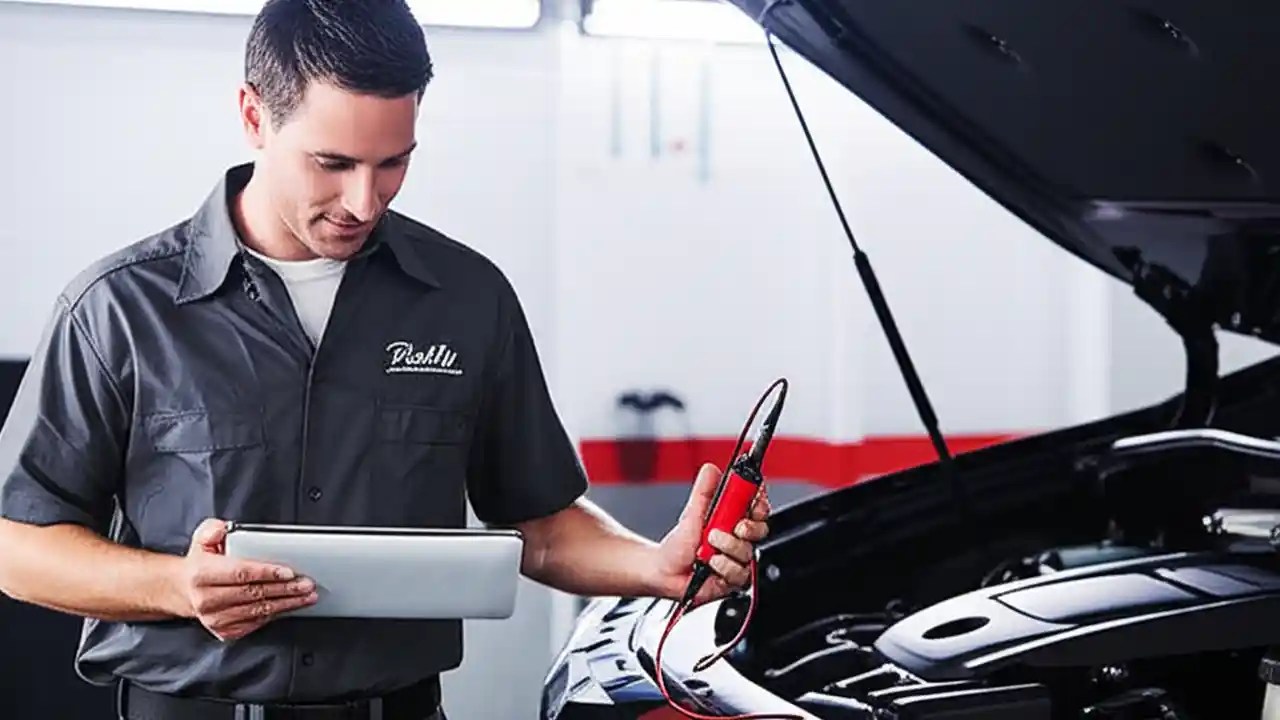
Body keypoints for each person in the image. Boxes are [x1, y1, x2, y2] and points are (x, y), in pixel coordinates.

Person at [0, 1, 771, 719]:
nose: (365, 202)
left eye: (393, 163)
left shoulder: (470, 301)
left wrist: (657, 565)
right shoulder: (117, 310)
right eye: (332, 163)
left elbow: (538, 524)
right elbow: (17, 546)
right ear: (252, 118)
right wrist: (175, 585)